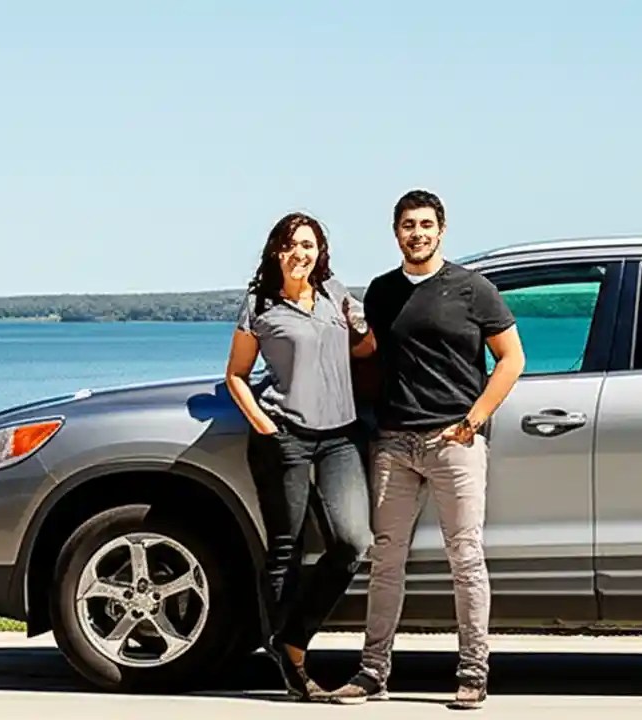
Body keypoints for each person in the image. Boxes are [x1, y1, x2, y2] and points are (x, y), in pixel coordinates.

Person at [328, 189, 525, 710]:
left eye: (425, 225)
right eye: (407, 226)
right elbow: (368, 357)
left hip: (453, 441)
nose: (417, 233)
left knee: (466, 556)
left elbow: (511, 359)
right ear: (396, 233)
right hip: (394, 441)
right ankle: (373, 672)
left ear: (441, 230)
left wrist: (474, 420)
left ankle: (473, 672)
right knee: (385, 560)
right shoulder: (382, 291)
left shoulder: (472, 289)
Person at [224, 211, 376, 701]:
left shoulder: (334, 292)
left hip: (340, 436)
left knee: (352, 542)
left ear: (319, 252)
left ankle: (290, 638)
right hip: (284, 433)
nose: (300, 254)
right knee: (286, 547)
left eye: (308, 245)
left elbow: (366, 349)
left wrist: (359, 324)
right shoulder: (259, 305)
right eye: (291, 245)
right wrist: (264, 425)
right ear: (276, 252)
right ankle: (289, 659)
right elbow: (236, 376)